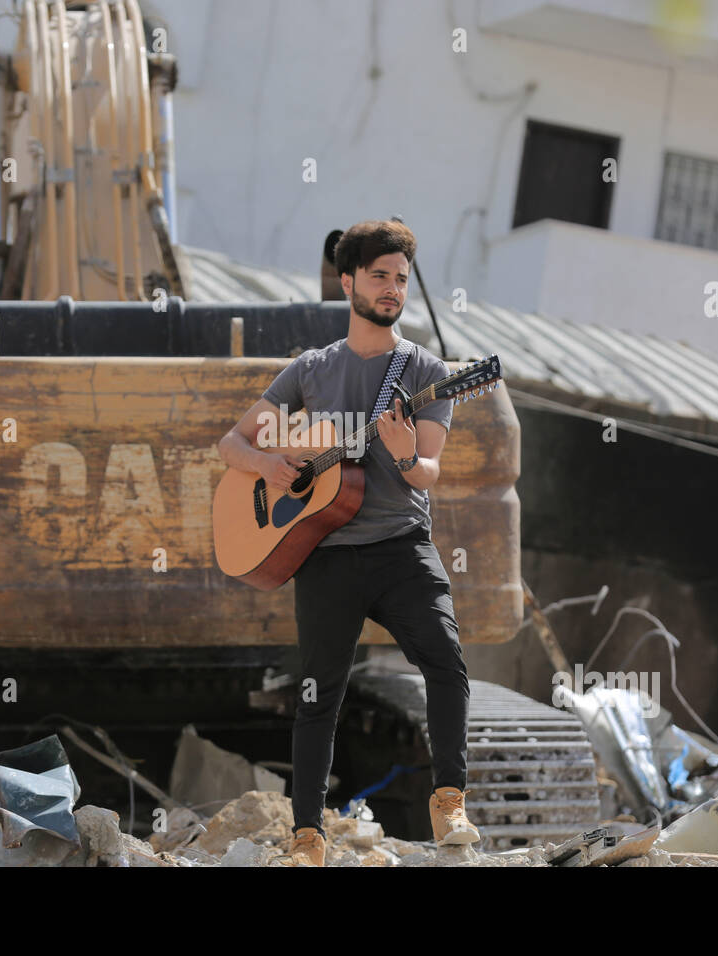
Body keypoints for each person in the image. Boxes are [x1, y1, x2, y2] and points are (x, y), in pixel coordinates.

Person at [217, 219, 479, 866]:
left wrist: (404, 454)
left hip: (400, 546)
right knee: (317, 694)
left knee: (446, 662)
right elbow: (232, 443)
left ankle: (448, 798)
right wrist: (269, 468)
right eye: (379, 276)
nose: (392, 289)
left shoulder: (425, 371)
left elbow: (430, 471)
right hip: (327, 552)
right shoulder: (312, 370)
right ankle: (307, 834)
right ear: (349, 281)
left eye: (400, 279)